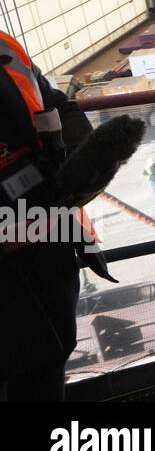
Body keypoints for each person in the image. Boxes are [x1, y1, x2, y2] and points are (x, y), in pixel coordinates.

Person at [0, 29, 95, 401]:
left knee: (48, 365)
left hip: (44, 250)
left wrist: (73, 164)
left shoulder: (6, 45)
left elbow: (54, 103)